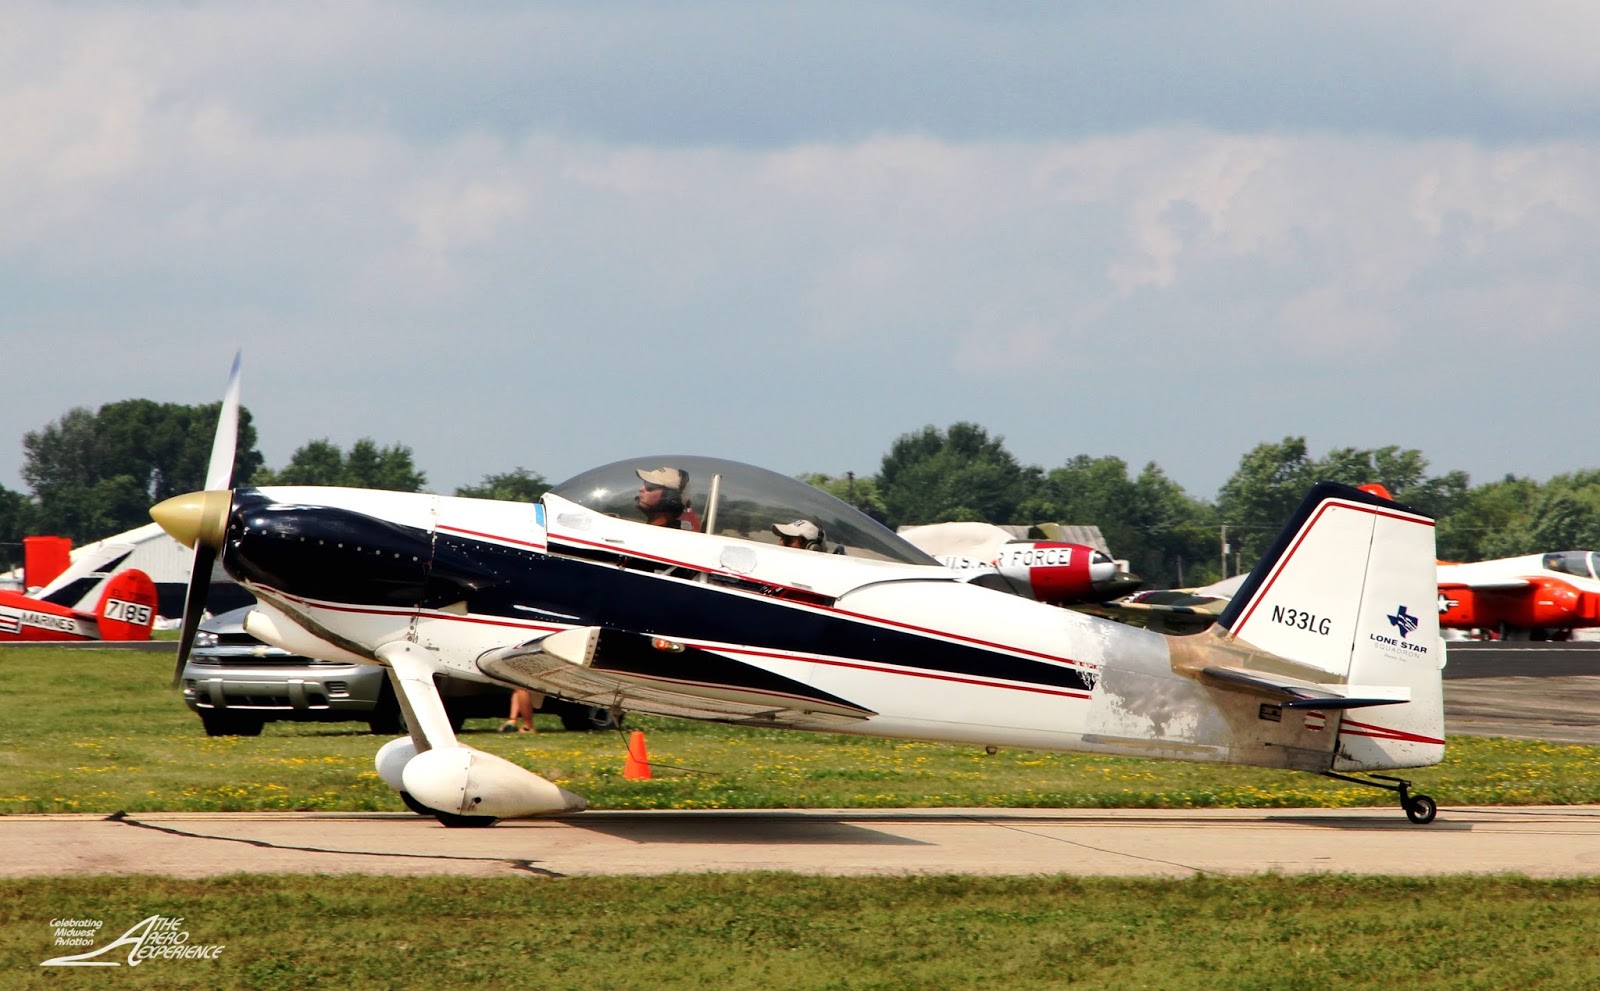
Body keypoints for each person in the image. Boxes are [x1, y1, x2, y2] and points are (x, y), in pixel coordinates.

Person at [635, 466, 702, 531]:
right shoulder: (654, 530)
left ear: (669, 497)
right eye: (644, 483)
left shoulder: (669, 537)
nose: (641, 489)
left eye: (650, 485)